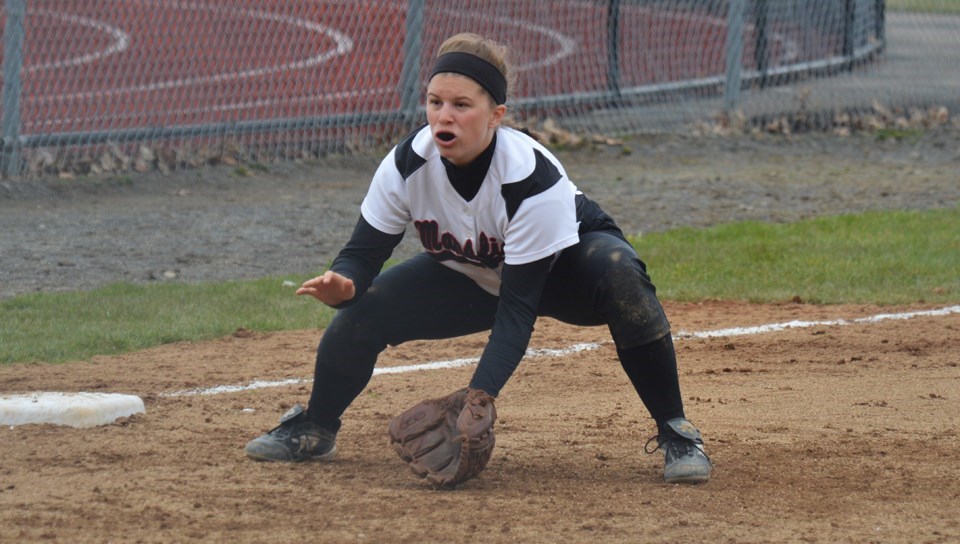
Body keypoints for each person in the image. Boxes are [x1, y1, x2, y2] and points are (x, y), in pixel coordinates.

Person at [244, 32, 712, 484]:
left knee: (619, 272)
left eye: (461, 105)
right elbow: (362, 254)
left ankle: (677, 432)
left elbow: (518, 307)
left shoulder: (529, 178)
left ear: (496, 115)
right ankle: (316, 427)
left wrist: (479, 395)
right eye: (435, 102)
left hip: (567, 272)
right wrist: (346, 284)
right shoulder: (408, 164)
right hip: (475, 274)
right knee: (364, 311)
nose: (443, 116)